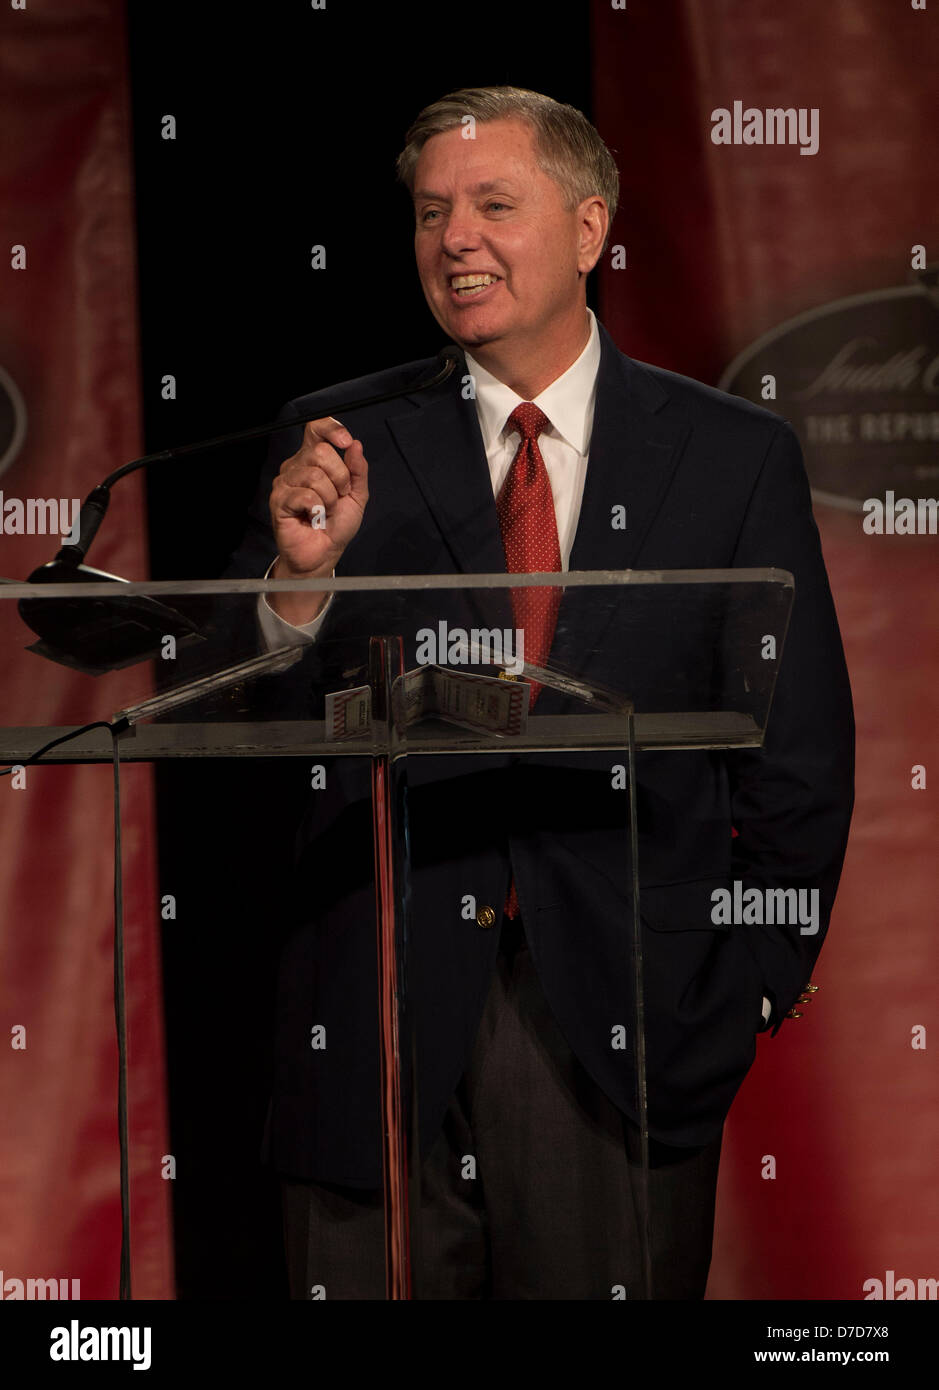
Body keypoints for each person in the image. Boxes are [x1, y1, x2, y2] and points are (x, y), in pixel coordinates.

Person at [223, 87, 854, 1299]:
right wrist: (296, 590)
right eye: (429, 213)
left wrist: (753, 971)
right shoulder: (337, 444)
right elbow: (243, 722)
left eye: (492, 205)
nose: (454, 238)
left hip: (628, 1017)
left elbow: (799, 752)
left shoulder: (731, 454)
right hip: (379, 1021)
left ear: (589, 228)